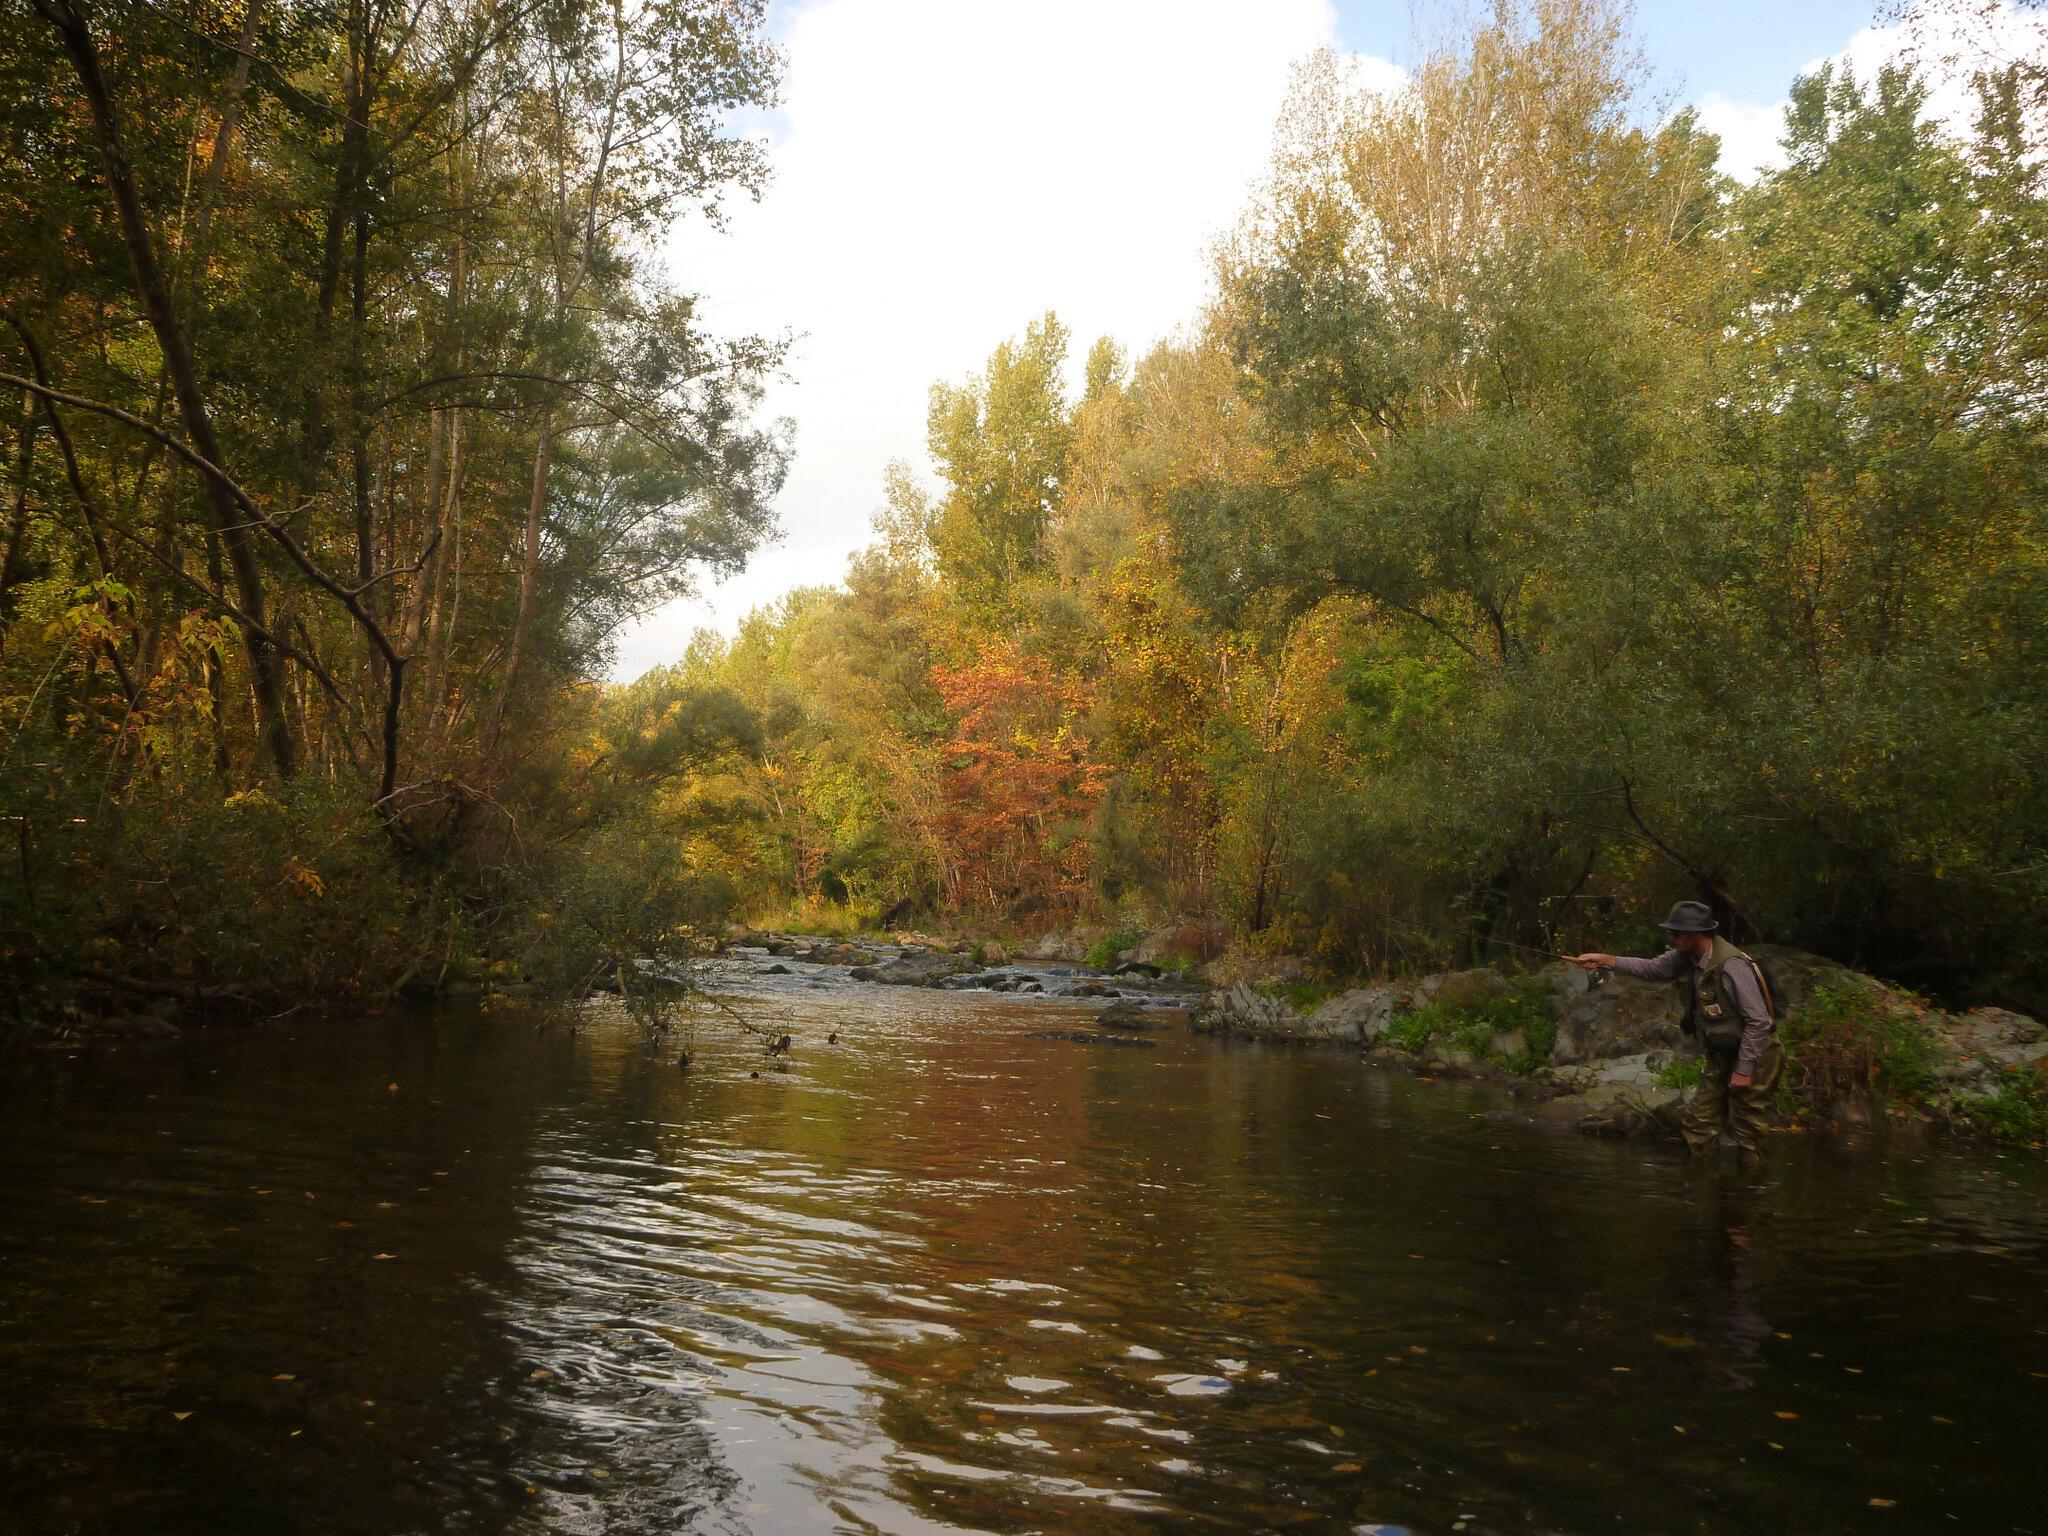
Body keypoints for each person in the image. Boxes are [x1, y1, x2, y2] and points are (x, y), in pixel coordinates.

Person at [1572, 900, 1782, 1163]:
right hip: (1722, 1052)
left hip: (1758, 1052)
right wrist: (1605, 960)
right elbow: (1651, 969)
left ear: (1696, 934)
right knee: (1698, 1124)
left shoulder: (1732, 966)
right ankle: (1705, 1188)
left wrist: (1744, 1068)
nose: (1671, 938)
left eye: (1676, 933)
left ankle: (1751, 1191)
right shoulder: (1687, 956)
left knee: (1748, 1127)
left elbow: (1759, 1021)